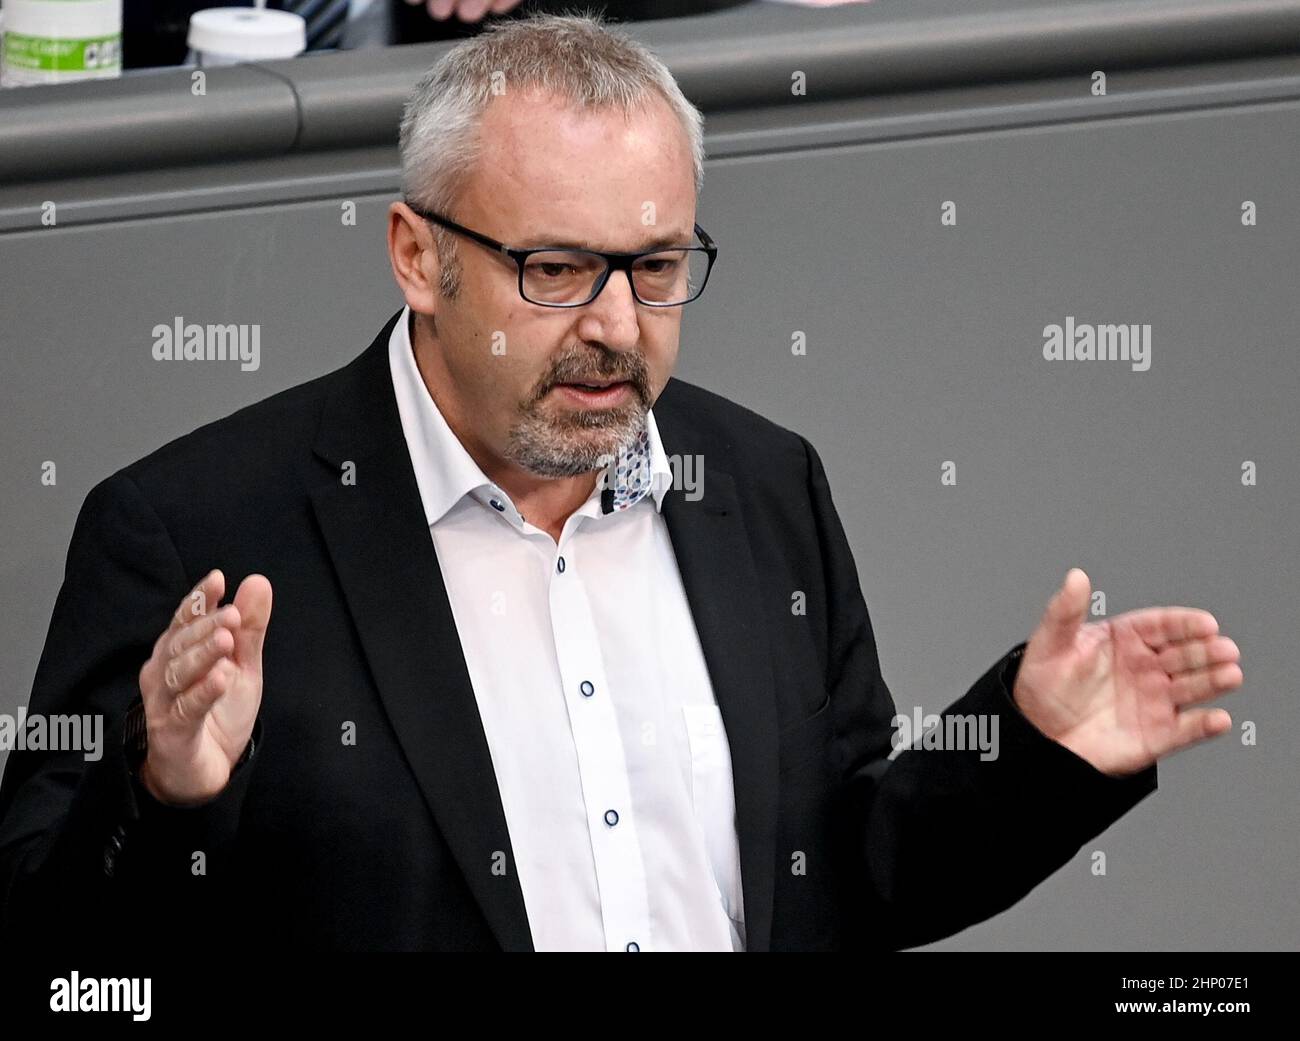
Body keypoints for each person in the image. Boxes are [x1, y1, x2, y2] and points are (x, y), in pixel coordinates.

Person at [0, 12, 1242, 953]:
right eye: (554, 268)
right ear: (417, 256)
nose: (615, 327)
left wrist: (1033, 754)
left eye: (653, 268)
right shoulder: (192, 529)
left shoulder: (761, 487)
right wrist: (168, 794)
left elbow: (844, 879)